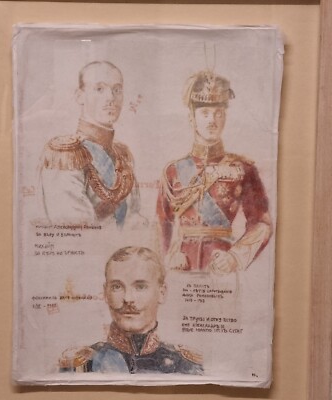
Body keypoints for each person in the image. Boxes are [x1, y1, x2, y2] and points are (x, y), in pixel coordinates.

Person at [157, 70, 272, 274]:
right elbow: (161, 223)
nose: (212, 120)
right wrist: (167, 256)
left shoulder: (244, 169)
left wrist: (234, 257)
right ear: (192, 118)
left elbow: (261, 223)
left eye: (218, 113)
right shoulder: (173, 171)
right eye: (205, 113)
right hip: (180, 269)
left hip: (222, 269)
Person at [59, 246, 203, 374]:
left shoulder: (185, 364)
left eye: (140, 287)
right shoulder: (81, 364)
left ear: (162, 293)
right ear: (105, 293)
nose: (128, 298)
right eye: (117, 287)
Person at [39, 61, 142, 228]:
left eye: (117, 90)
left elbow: (133, 216)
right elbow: (76, 229)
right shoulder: (65, 155)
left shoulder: (122, 155)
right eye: (99, 89)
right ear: (80, 96)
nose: (111, 98)